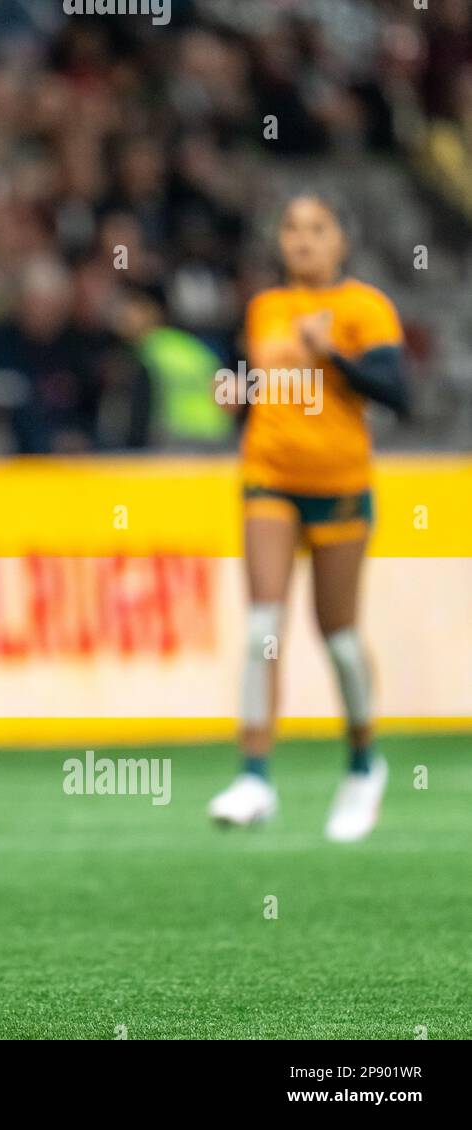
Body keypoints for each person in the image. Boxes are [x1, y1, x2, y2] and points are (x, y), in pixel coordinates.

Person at [207, 194, 407, 841]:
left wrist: (333, 354)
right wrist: (236, 392)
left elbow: (396, 392)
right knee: (263, 622)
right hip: (270, 477)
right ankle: (255, 775)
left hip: (341, 483)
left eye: (316, 229)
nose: (302, 241)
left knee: (340, 639)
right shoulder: (265, 309)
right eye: (291, 229)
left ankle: (362, 762)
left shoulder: (364, 308)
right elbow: (271, 389)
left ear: (339, 243)